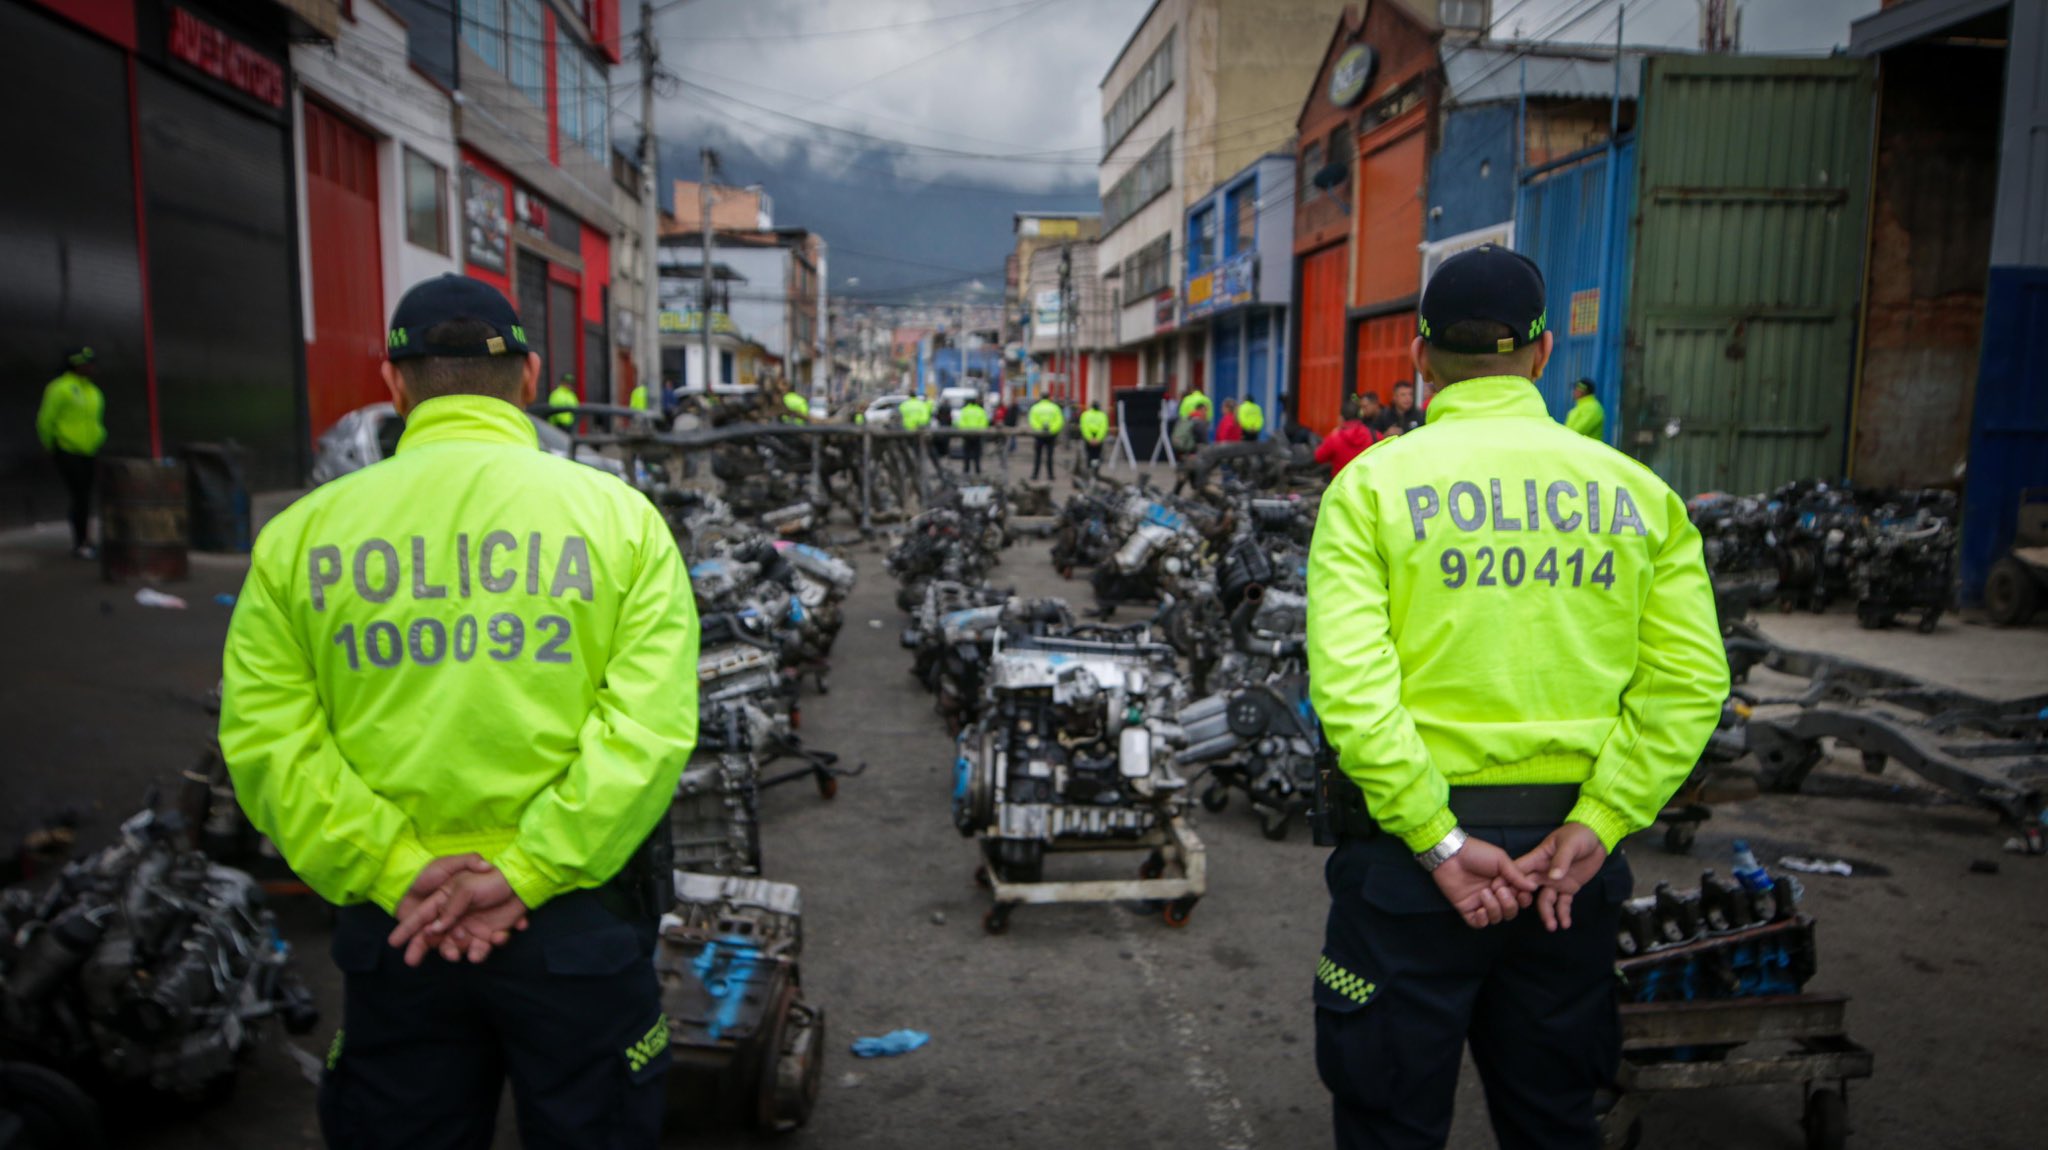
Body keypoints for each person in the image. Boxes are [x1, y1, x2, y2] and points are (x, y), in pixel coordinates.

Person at [217, 273, 699, 1149]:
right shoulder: (620, 522)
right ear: (531, 375)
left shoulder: (298, 538)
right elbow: (647, 732)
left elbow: (268, 744)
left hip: (399, 929)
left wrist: (401, 868)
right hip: (576, 928)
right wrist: (523, 874)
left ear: (394, 384)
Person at [1304, 244, 1726, 1150]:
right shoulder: (1640, 496)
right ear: (1540, 357)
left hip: (1409, 877)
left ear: (1418, 357)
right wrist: (1603, 821)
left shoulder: (1370, 489)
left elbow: (1353, 696)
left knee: (1388, 1122)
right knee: (1553, 1121)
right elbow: (1690, 683)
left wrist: (1438, 840)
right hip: (1566, 877)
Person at [35, 347, 107, 559]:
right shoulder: (60, 388)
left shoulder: (93, 391)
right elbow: (45, 420)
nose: (91, 367)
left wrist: (99, 437)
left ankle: (84, 539)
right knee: (80, 496)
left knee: (85, 495)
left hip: (89, 450)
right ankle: (80, 542)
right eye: (87, 363)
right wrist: (52, 446)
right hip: (67, 450)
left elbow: (96, 421)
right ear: (76, 365)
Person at [1314, 396, 1379, 476]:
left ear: (1341, 419)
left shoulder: (1335, 438)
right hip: (1366, 486)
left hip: (1341, 486)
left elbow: (1318, 457)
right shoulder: (1375, 435)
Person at [1028, 393, 1065, 481]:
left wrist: (1040, 428)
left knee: (1038, 456)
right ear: (1049, 398)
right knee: (1050, 456)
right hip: (1050, 436)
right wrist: (1051, 429)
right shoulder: (1055, 408)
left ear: (1041, 398)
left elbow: (1032, 420)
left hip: (1039, 435)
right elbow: (1059, 421)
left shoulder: (1035, 407)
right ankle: (1050, 475)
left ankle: (1035, 475)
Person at [955, 395, 989, 474]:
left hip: (967, 435)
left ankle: (966, 469)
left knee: (966, 453)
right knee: (977, 453)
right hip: (977, 435)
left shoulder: (965, 410)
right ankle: (977, 469)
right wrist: (978, 431)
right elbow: (984, 423)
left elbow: (960, 423)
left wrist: (966, 430)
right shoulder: (980, 410)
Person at [1078, 401, 1109, 472]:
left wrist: (1089, 438)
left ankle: (1089, 470)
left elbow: (1084, 427)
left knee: (1089, 454)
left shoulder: (1085, 415)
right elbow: (1103, 428)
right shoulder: (1102, 415)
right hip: (1098, 438)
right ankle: (1095, 471)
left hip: (1089, 438)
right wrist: (1098, 438)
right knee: (1096, 456)